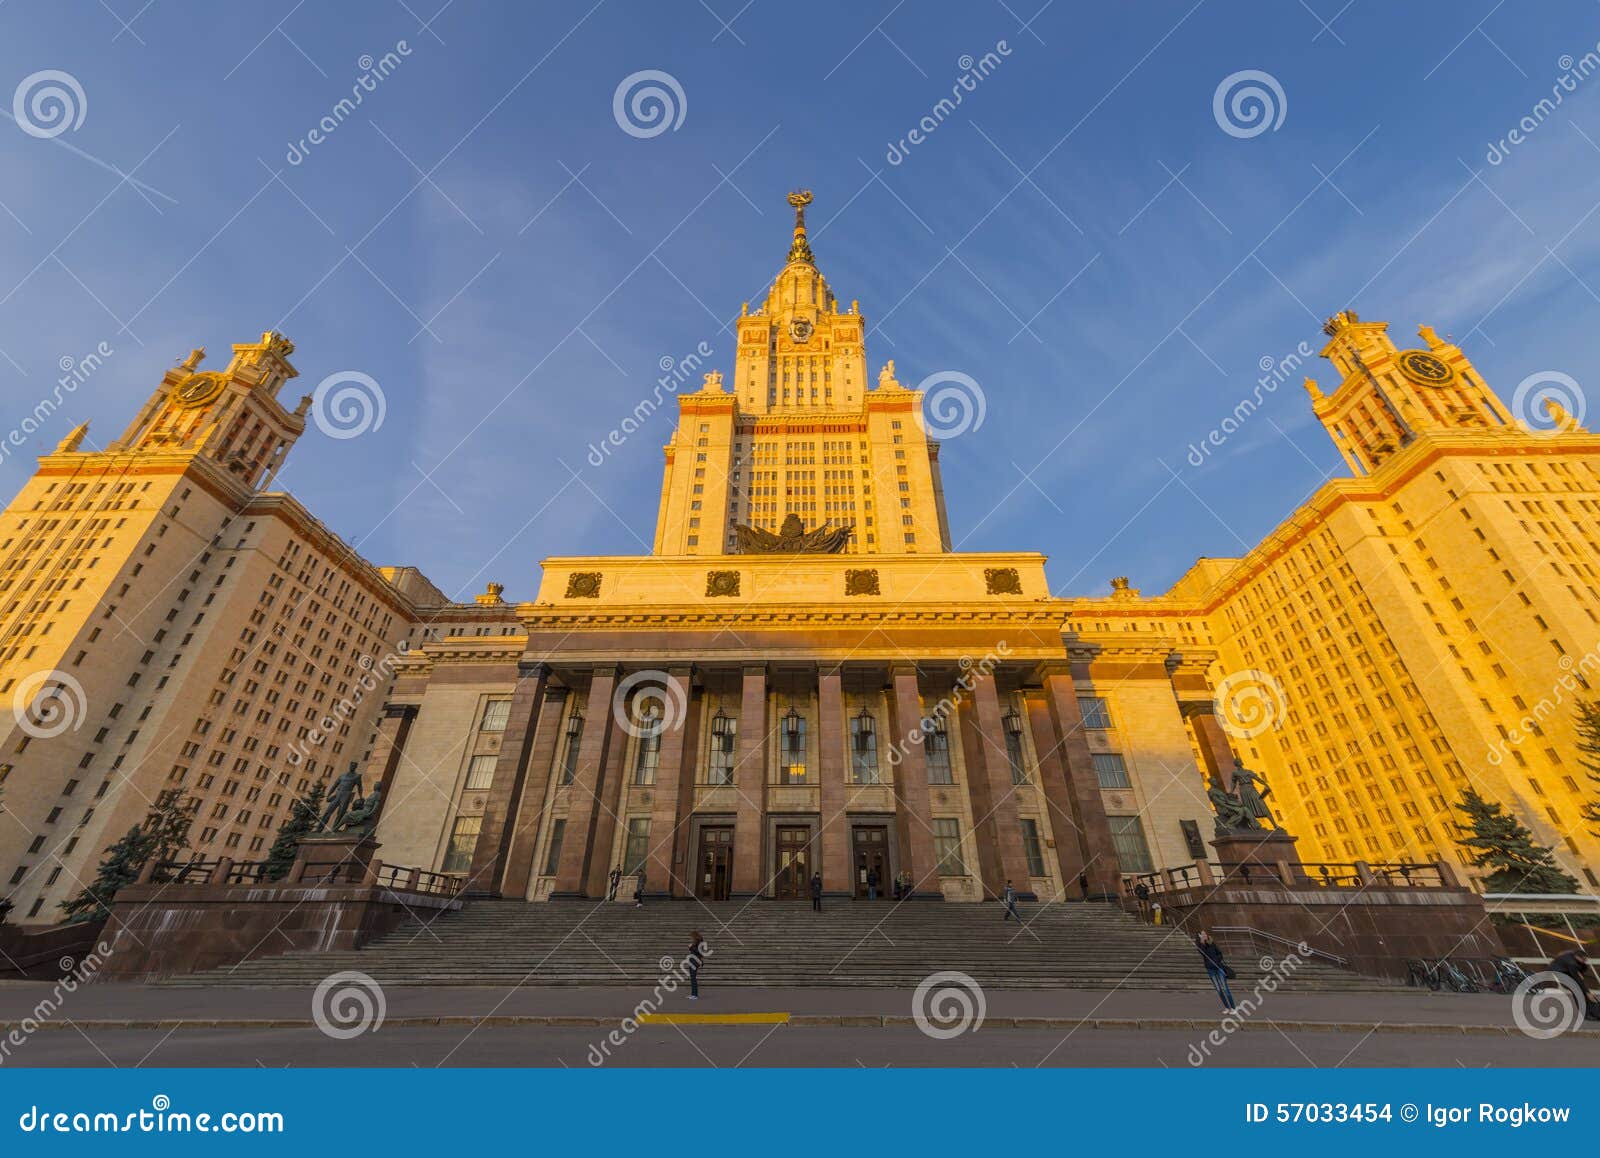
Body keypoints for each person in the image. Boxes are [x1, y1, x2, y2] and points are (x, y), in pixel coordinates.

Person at [1548, 948, 1599, 1020]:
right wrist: (1587, 992)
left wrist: (1586, 990)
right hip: (1559, 972)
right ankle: (1585, 1014)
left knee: (1582, 990)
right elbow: (1577, 979)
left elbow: (1581, 972)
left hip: (1565, 969)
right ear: (1577, 957)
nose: (1585, 961)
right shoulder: (1572, 964)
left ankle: (1592, 1011)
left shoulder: (1573, 953)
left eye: (1586, 959)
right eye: (1583, 959)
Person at [1196, 930, 1236, 1011]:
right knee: (1218, 989)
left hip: (1219, 967)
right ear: (1200, 936)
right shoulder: (1200, 946)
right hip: (1210, 969)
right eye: (1202, 934)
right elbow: (1203, 953)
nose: (1204, 935)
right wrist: (1202, 943)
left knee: (1225, 988)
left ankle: (1233, 1008)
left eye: (1205, 933)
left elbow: (1220, 954)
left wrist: (1216, 960)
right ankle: (1227, 1008)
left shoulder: (1212, 943)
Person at [686, 930, 707, 1000]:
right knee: (692, 978)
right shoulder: (696, 943)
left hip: (695, 961)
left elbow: (699, 952)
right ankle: (693, 994)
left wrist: (691, 947)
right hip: (692, 961)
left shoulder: (699, 942)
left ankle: (695, 995)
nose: (691, 938)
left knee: (693, 978)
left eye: (691, 937)